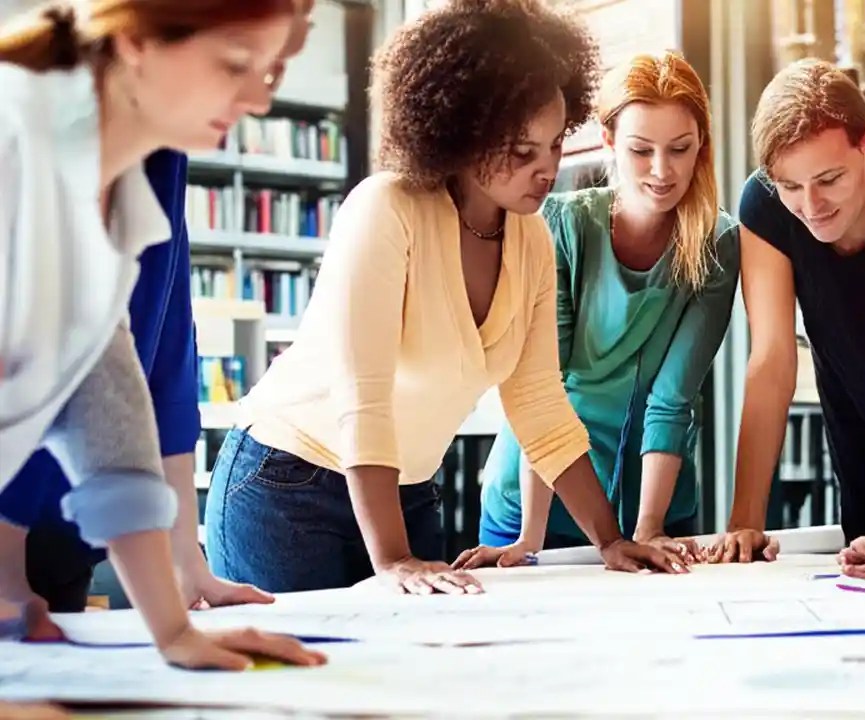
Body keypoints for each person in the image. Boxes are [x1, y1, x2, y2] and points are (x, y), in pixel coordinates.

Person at [205, 0, 685, 595]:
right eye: (521, 150)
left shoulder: (532, 238)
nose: (546, 168)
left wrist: (609, 540)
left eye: (555, 144)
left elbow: (538, 403)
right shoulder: (387, 208)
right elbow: (365, 396)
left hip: (405, 492)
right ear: (461, 133)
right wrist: (393, 559)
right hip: (287, 488)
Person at [0, 0, 324, 670]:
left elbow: (110, 429)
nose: (256, 102)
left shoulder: (122, 205)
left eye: (266, 70)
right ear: (137, 41)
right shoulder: (13, 142)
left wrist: (175, 632)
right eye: (235, 64)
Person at [456, 51, 739, 568]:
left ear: (701, 145)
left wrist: (649, 527)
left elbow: (672, 399)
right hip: (531, 507)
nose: (662, 170)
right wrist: (529, 540)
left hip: (652, 507)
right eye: (640, 150)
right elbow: (546, 387)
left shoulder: (717, 242)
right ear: (608, 141)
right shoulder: (561, 225)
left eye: (680, 149)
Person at [706, 58, 865, 563]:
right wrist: (744, 522)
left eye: (829, 179)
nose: (811, 205)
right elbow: (773, 364)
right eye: (790, 186)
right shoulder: (764, 208)